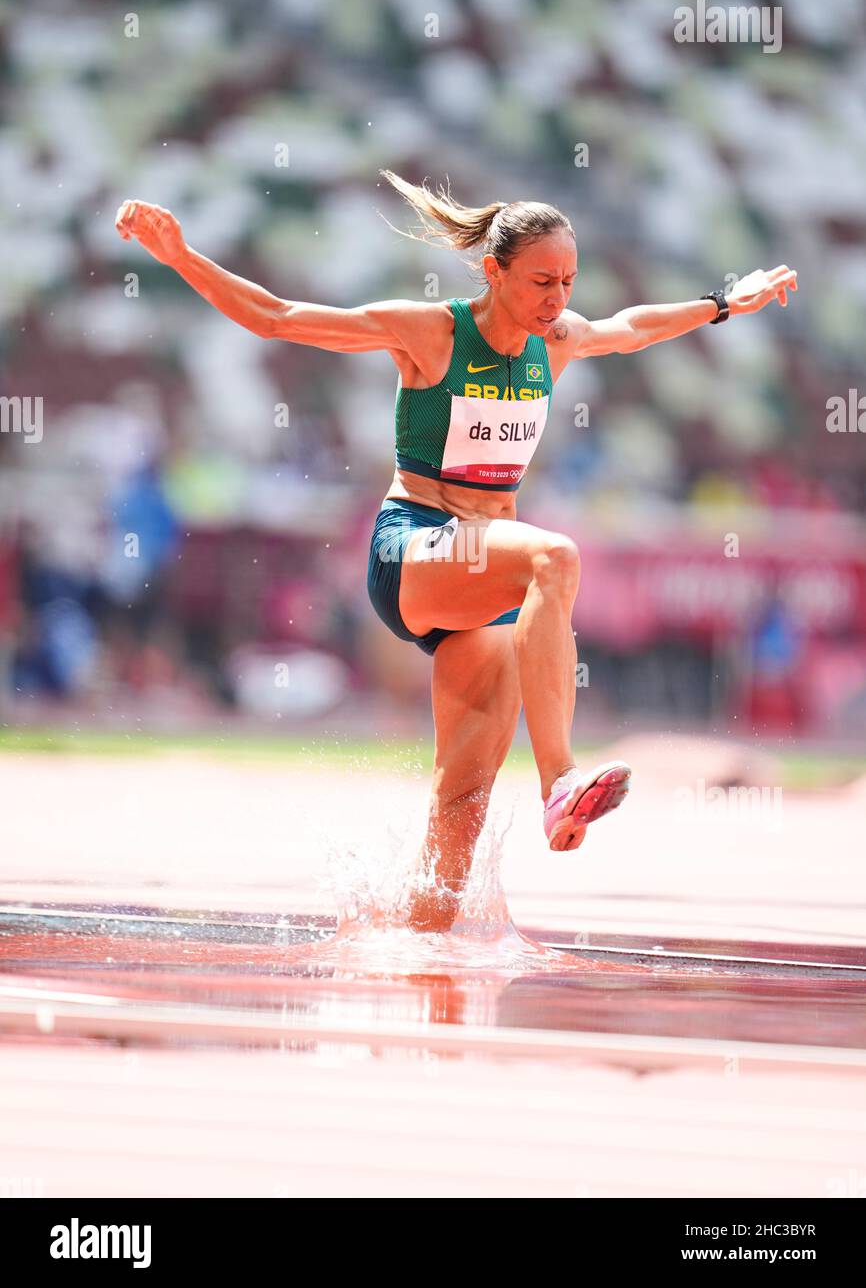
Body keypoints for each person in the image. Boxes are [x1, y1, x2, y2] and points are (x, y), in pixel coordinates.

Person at [115, 176, 797, 932]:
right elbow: (277, 318)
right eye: (541, 280)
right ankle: (560, 780)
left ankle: (406, 943)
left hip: (483, 585)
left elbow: (634, 326)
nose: (556, 297)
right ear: (493, 271)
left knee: (461, 814)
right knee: (555, 558)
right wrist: (180, 256)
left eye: (568, 282)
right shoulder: (430, 332)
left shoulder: (557, 342)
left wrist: (731, 300)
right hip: (412, 550)